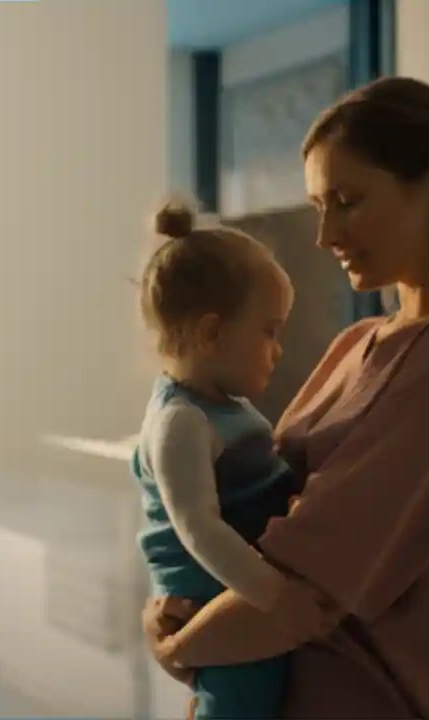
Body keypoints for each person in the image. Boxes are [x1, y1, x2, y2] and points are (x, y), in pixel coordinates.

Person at [141, 76, 429, 719]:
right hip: (263, 680)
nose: (326, 234)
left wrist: (179, 649)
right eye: (317, 205)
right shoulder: (357, 342)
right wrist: (169, 604)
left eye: (348, 201)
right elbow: (254, 519)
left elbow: (309, 590)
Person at [133, 203, 329, 718]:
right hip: (212, 595)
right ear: (212, 334)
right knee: (242, 701)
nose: (277, 350)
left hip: (240, 586)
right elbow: (200, 529)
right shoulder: (180, 422)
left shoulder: (224, 405)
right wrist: (274, 595)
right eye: (269, 331)